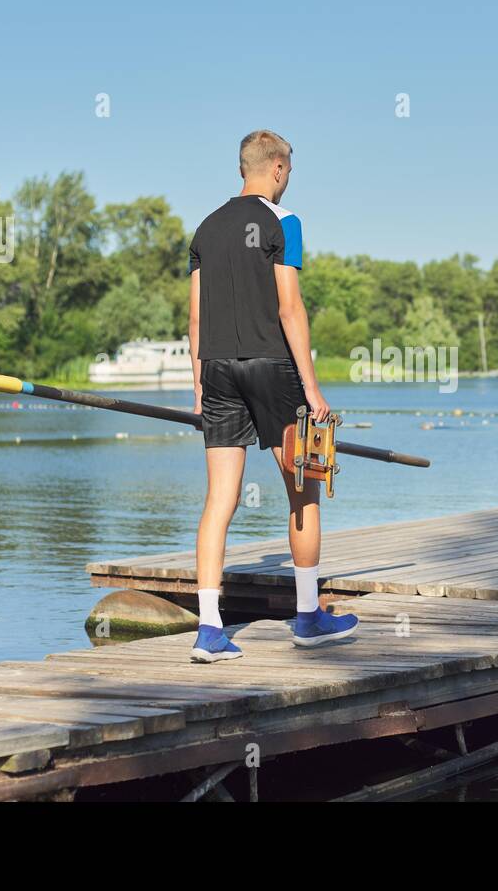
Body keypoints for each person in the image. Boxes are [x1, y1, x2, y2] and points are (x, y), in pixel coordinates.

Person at [186, 130, 358, 662]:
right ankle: (307, 617)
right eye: (289, 173)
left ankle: (209, 630)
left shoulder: (205, 229)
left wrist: (197, 387)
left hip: (216, 369)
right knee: (303, 489)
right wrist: (311, 387)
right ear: (278, 168)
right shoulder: (285, 222)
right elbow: (290, 309)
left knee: (220, 499)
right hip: (273, 368)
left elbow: (195, 317)